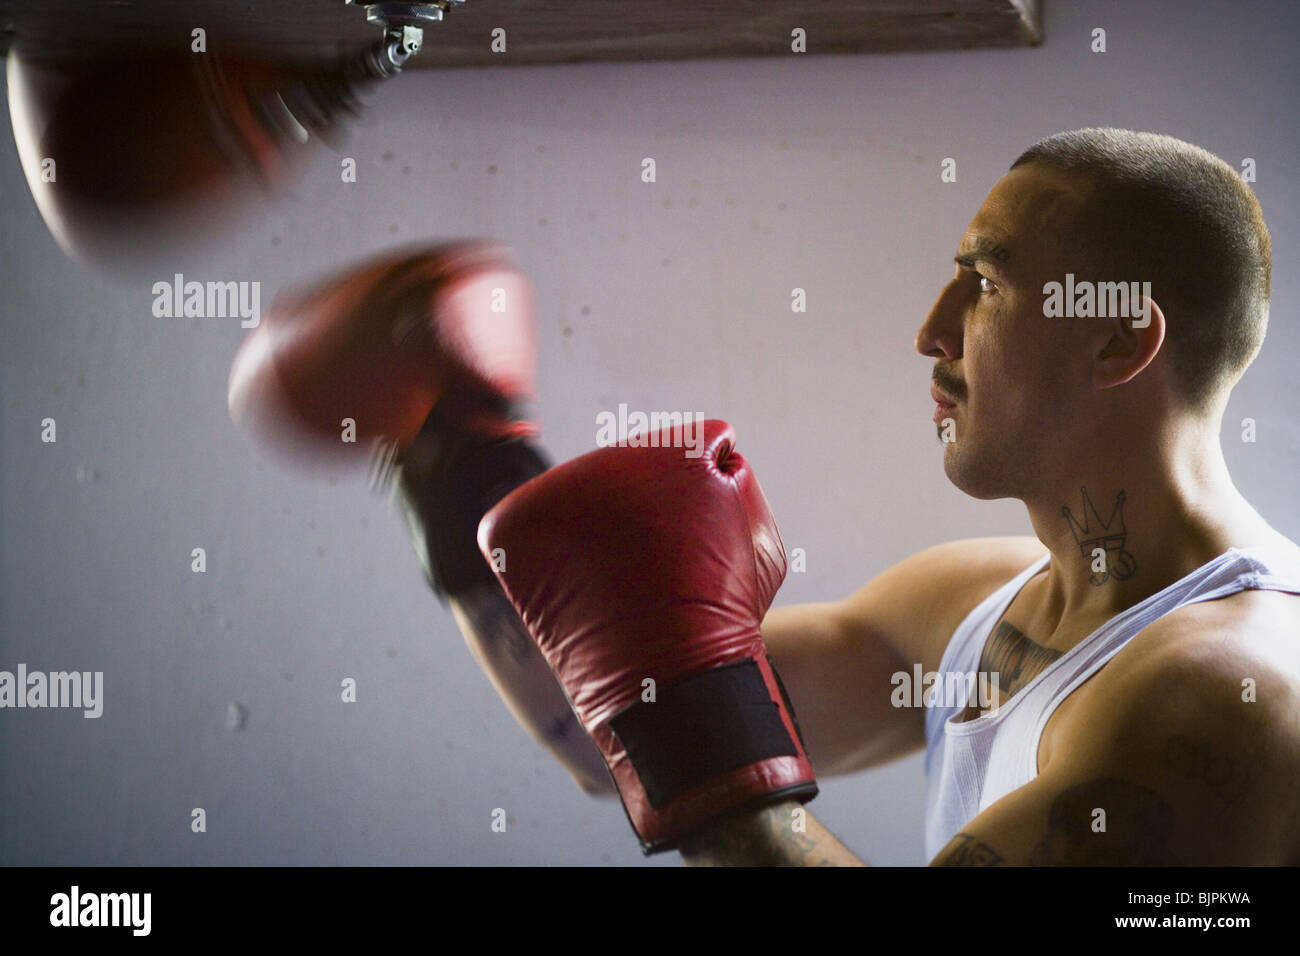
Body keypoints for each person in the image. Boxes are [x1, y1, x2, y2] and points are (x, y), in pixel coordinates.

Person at [234, 128, 1300, 866]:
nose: (928, 330)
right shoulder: (971, 604)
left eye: (985, 283)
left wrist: (701, 754)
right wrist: (458, 459)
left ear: (1118, 334)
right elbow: (603, 737)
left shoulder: (1218, 696)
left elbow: (691, 763)